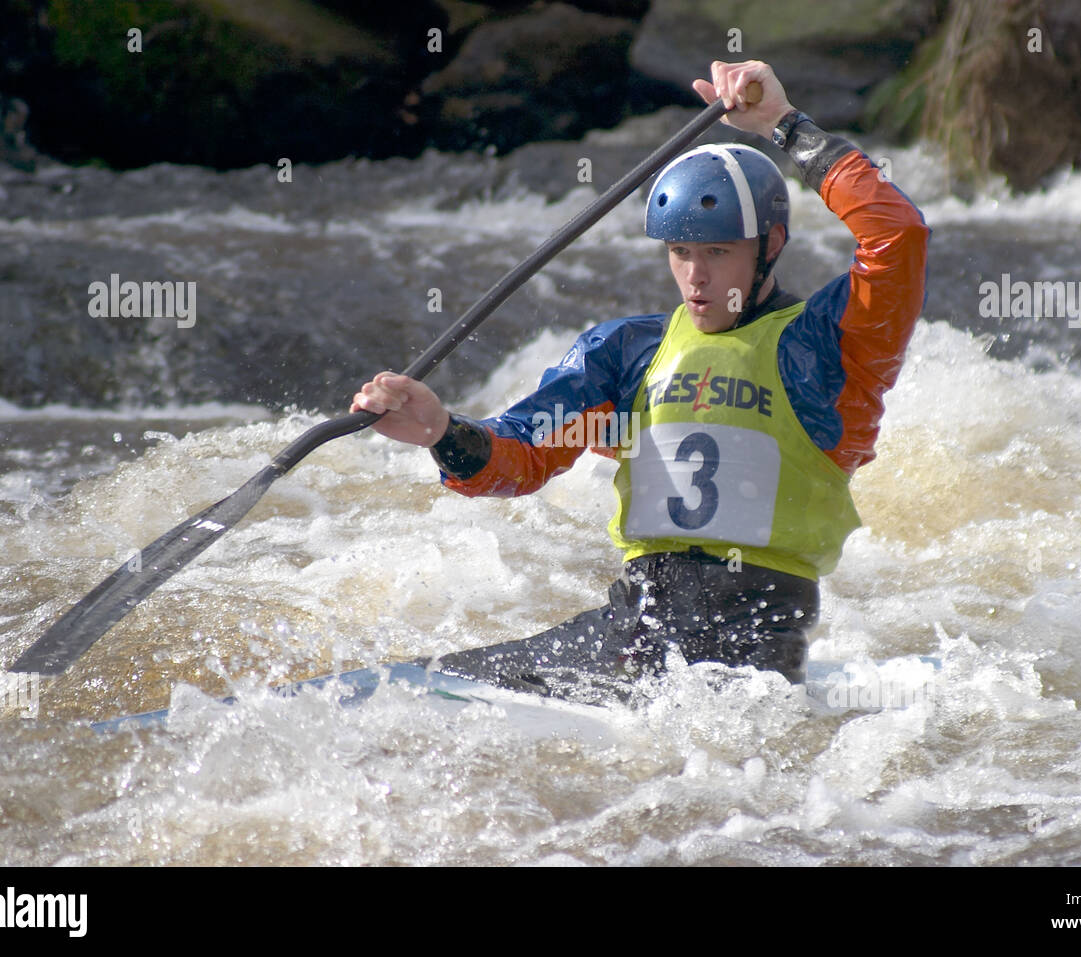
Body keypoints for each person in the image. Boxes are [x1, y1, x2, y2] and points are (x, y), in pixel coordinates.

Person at [351, 60, 929, 702]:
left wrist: (782, 125)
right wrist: (441, 431)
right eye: (681, 252)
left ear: (771, 244)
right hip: (633, 628)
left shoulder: (830, 349)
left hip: (751, 651)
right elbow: (522, 455)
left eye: (717, 252)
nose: (696, 277)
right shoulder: (627, 353)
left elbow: (896, 234)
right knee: (425, 687)